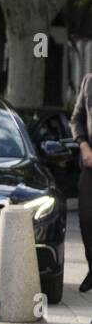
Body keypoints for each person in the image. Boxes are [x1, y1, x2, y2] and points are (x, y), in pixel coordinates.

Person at [71, 72, 92, 292]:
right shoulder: (89, 81)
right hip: (90, 164)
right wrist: (83, 145)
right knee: (86, 219)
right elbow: (76, 119)